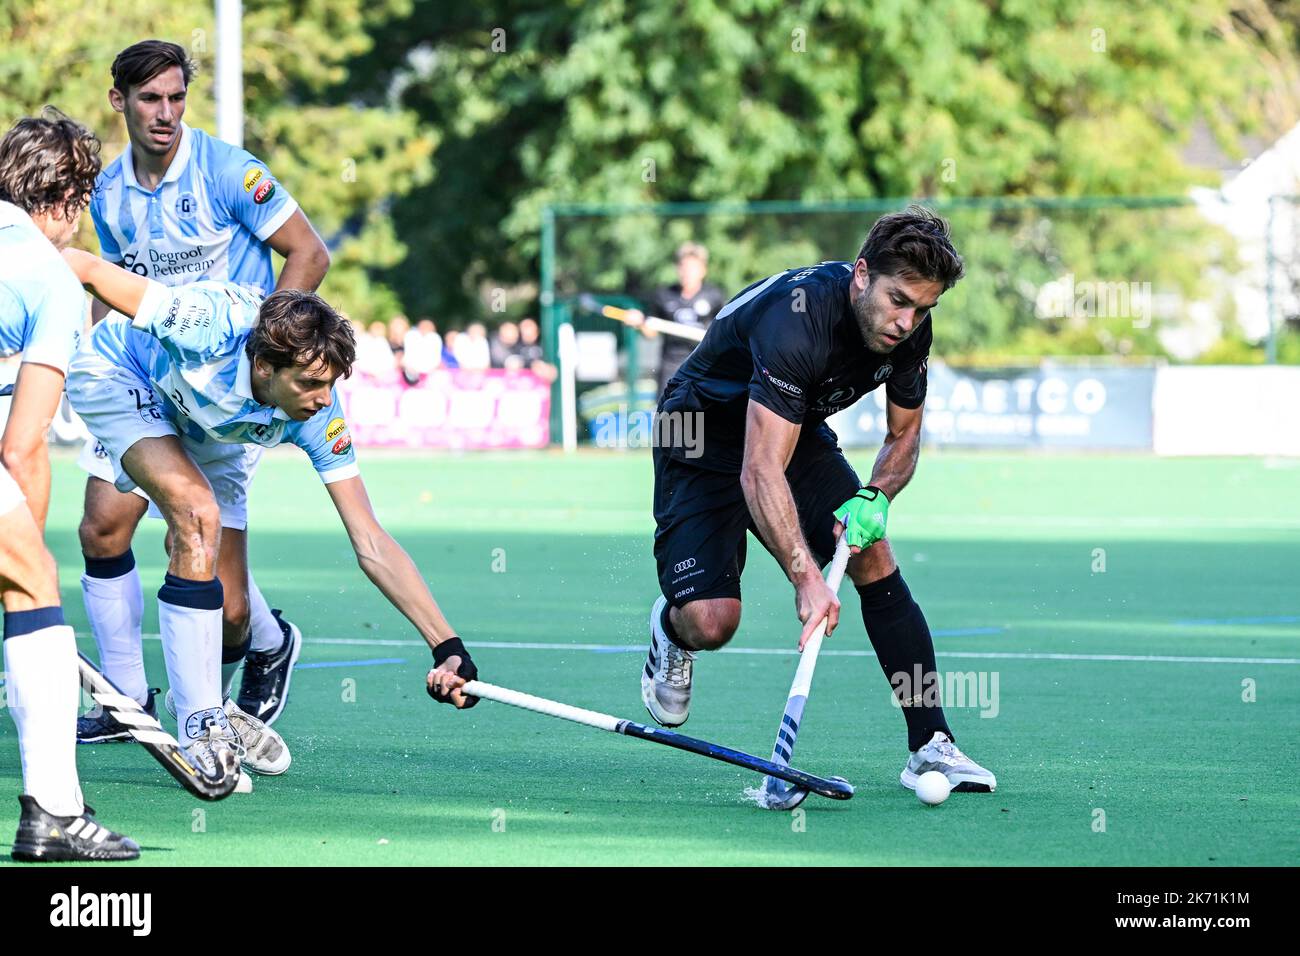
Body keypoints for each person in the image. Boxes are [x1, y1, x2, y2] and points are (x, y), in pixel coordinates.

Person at [61, 253, 482, 779]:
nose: (323, 399)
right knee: (186, 517)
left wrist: (446, 644)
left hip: (222, 431)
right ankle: (198, 725)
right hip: (125, 378)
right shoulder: (204, 323)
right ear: (264, 366)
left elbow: (369, 540)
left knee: (234, 613)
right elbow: (86, 267)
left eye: (330, 384)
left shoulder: (317, 410)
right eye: (309, 384)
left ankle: (209, 702)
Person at [642, 206, 997, 794]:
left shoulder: (910, 331)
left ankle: (931, 746)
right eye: (898, 300)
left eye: (922, 308)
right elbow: (759, 469)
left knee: (871, 552)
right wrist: (806, 575)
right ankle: (671, 630)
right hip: (701, 432)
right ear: (861, 275)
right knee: (712, 621)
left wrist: (875, 496)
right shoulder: (798, 320)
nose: (907, 321)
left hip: (789, 427)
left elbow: (904, 435)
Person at [76, 40, 332, 746]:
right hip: (143, 376)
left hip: (224, 396)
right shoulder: (106, 191)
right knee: (101, 526)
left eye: (176, 98)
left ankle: (270, 638)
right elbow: (115, 287)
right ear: (119, 101)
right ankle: (127, 701)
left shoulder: (228, 172)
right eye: (150, 99)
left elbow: (311, 253)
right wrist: (86, 368)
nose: (165, 113)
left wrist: (264, 348)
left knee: (229, 619)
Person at [0, 109, 138, 860]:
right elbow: (23, 449)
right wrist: (27, 570)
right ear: (69, 201)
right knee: (33, 584)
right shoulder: (48, 276)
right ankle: (54, 812)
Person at [626, 242, 725, 395]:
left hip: (705, 366)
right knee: (671, 416)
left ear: (703, 270)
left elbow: (724, 333)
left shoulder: (714, 296)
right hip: (671, 366)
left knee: (704, 416)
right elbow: (651, 332)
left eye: (692, 268)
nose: (687, 272)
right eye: (683, 267)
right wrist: (639, 322)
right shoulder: (664, 295)